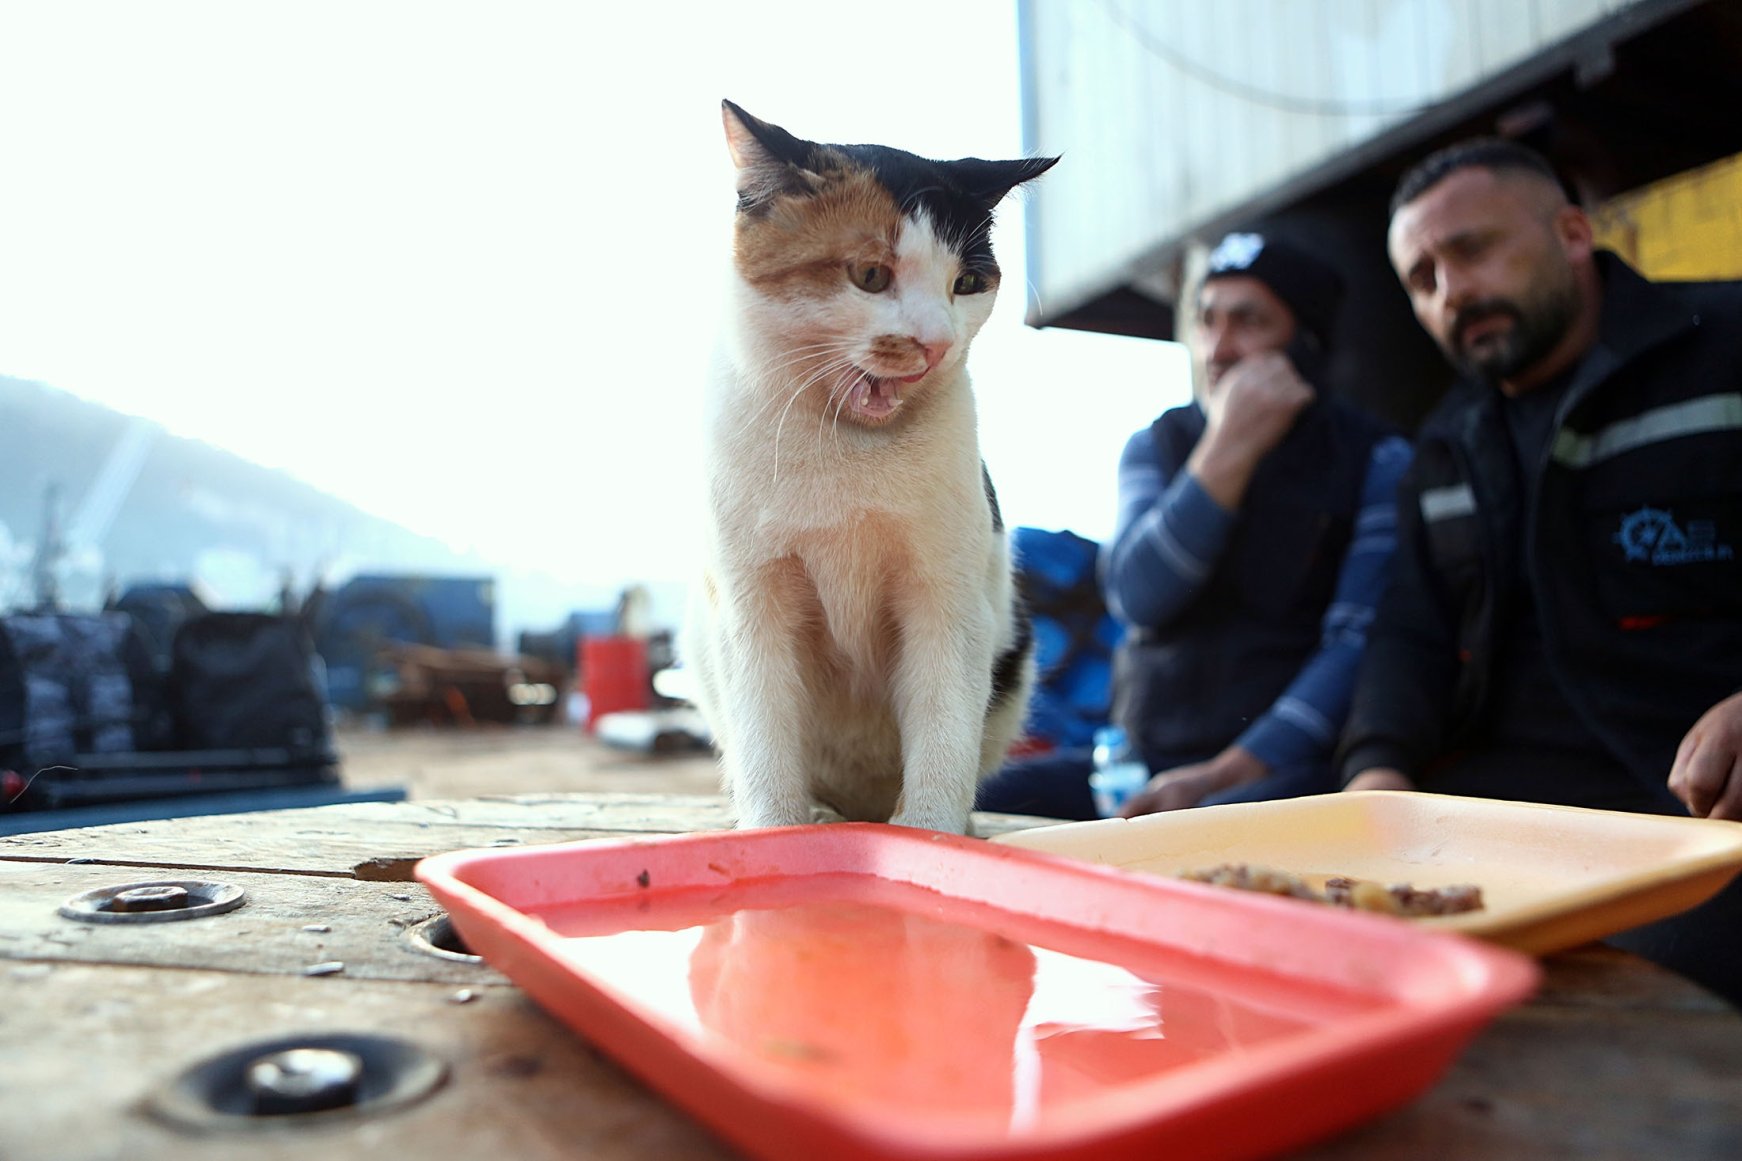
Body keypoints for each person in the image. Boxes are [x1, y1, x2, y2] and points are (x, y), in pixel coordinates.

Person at [1341, 136, 1742, 1002]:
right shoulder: (1445, 446)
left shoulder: (1728, 346)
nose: (1451, 291)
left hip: (1694, 819)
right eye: (1421, 279)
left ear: (1570, 233)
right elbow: (1407, 632)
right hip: (1492, 826)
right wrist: (1374, 782)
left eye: (1472, 249)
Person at [975, 230, 1412, 819]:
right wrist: (1227, 448)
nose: (1218, 347)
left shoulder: (1376, 460)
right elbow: (1136, 597)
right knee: (976, 808)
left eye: (1249, 321)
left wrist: (1224, 773)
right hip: (1141, 762)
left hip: (1279, 768)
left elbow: (1354, 645)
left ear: (1305, 345)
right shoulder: (1159, 444)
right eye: (1207, 321)